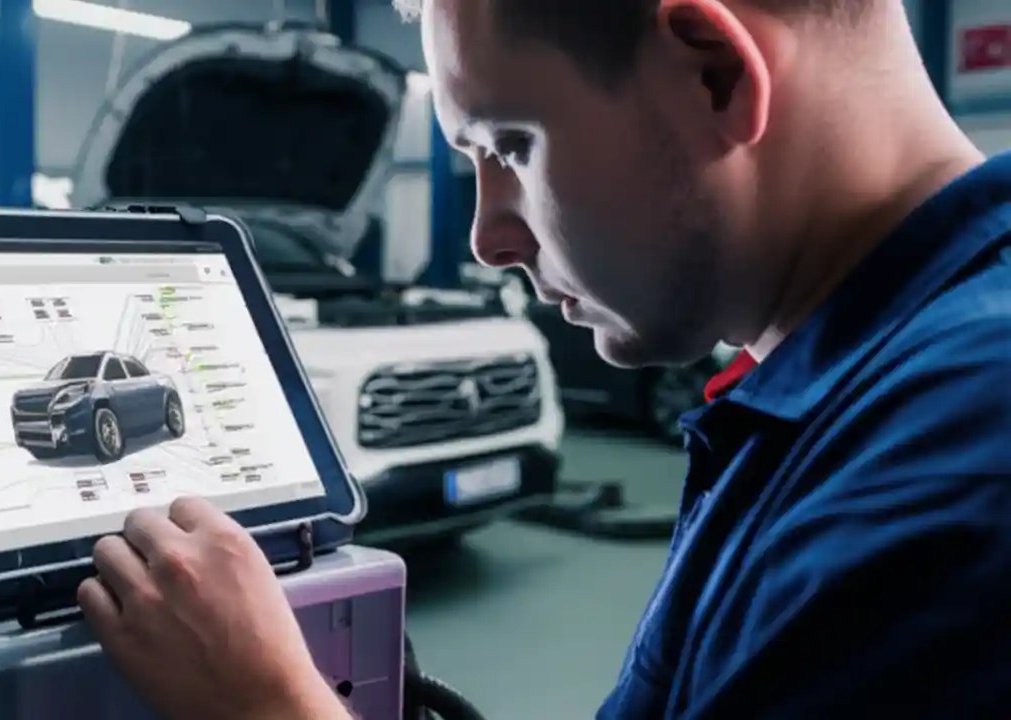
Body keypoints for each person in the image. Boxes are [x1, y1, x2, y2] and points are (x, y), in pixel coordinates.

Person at [77, 0, 1011, 717]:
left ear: (716, 75)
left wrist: (269, 706)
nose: (487, 238)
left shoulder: (952, 478)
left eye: (508, 147)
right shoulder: (874, 391)